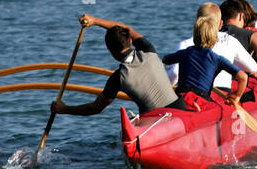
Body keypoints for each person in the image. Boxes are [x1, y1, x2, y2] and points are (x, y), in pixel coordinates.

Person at [51, 14, 185, 117]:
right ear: (130, 41)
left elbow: (95, 108)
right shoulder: (148, 50)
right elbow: (127, 29)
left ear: (110, 50)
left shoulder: (118, 78)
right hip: (181, 110)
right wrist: (94, 20)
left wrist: (64, 109)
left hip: (155, 121)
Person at [163, 17, 249, 109]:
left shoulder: (184, 53)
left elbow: (165, 60)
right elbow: (243, 77)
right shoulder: (217, 59)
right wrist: (237, 96)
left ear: (195, 36)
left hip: (180, 98)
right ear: (215, 39)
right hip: (201, 100)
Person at [172, 3, 257, 91]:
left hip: (190, 93)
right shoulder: (230, 41)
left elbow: (175, 73)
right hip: (221, 93)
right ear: (220, 24)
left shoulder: (185, 44)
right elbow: (252, 68)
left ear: (197, 22)